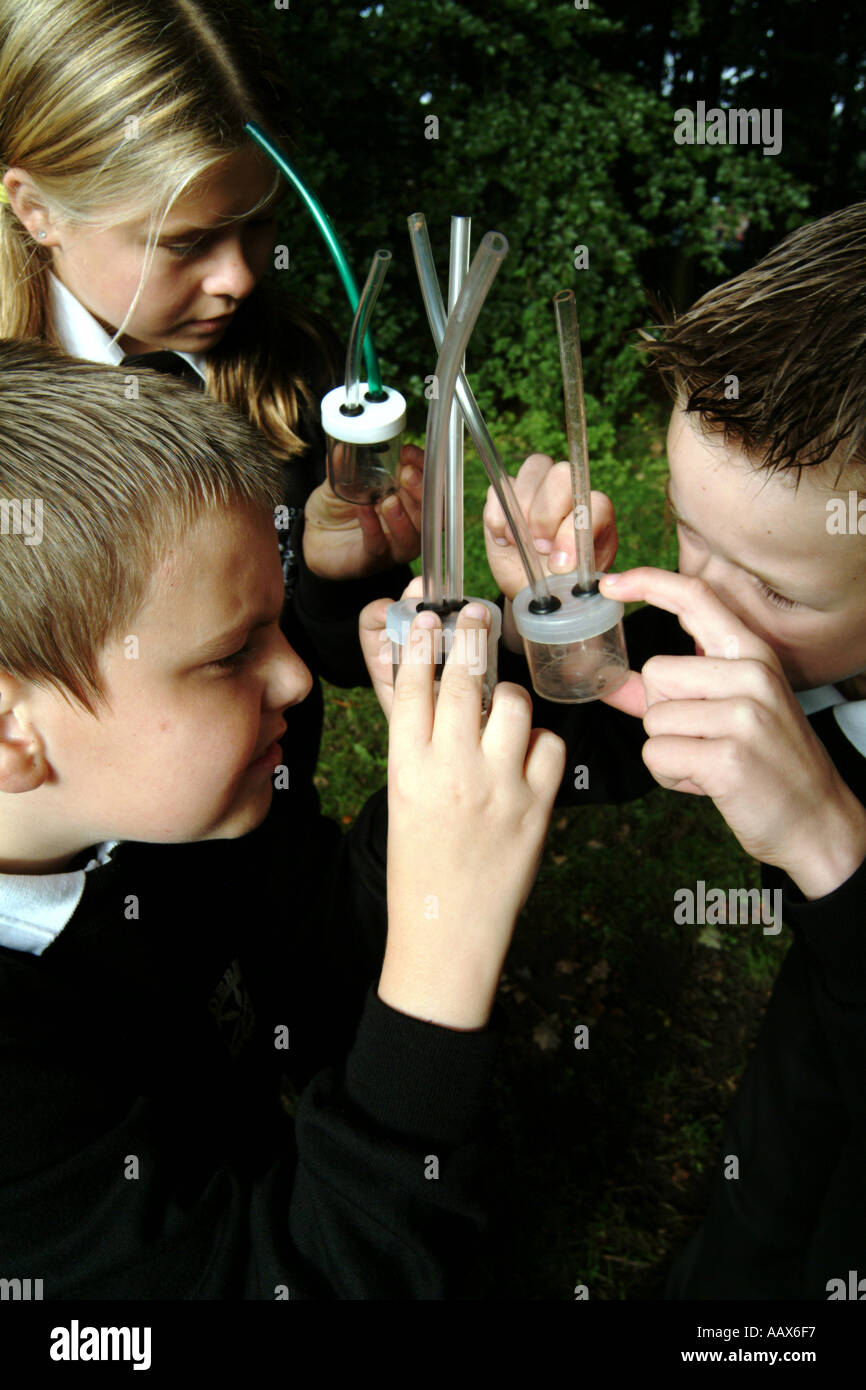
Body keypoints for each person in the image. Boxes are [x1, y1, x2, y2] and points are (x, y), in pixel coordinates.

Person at [0, 339, 565, 1299]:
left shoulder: (181, 819)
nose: (299, 677)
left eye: (277, 621)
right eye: (230, 654)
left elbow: (318, 970)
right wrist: (443, 960)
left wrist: (436, 826)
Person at [477, 202, 866, 1298]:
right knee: (770, 1172)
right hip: (822, 1004)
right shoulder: (788, 638)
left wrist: (832, 851)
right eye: (692, 538)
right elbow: (618, 731)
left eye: (775, 586)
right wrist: (563, 636)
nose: (708, 610)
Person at [0, 0, 425, 809]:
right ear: (37, 209)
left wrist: (337, 580)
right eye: (187, 242)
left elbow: (319, 663)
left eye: (258, 226)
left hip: (270, 835)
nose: (237, 277)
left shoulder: (290, 370)